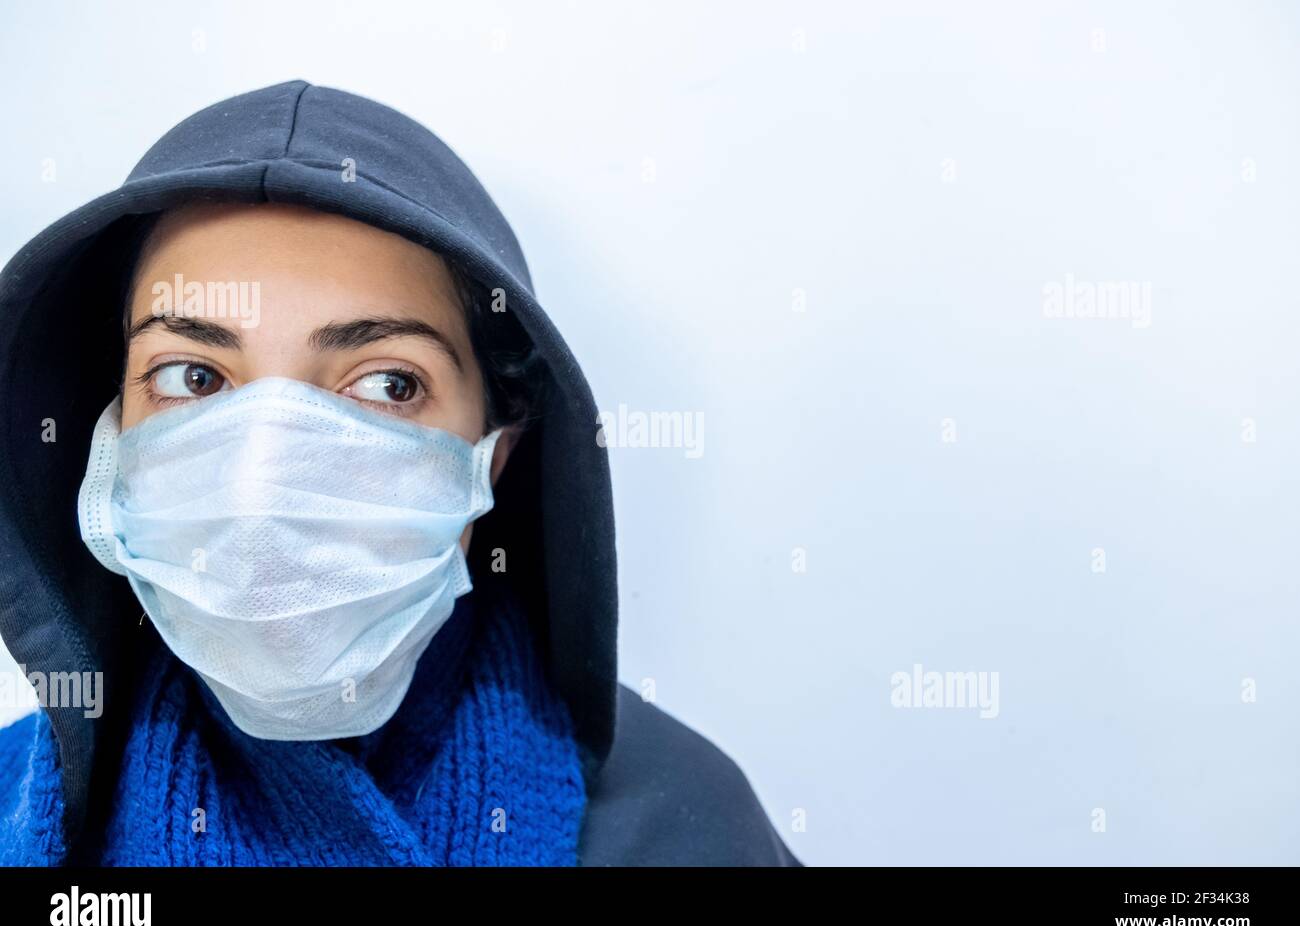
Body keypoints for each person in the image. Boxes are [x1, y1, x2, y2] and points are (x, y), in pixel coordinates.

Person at [0, 80, 801, 866]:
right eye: (193, 378)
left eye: (388, 384)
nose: (263, 478)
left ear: (496, 449)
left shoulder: (681, 825)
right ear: (109, 422)